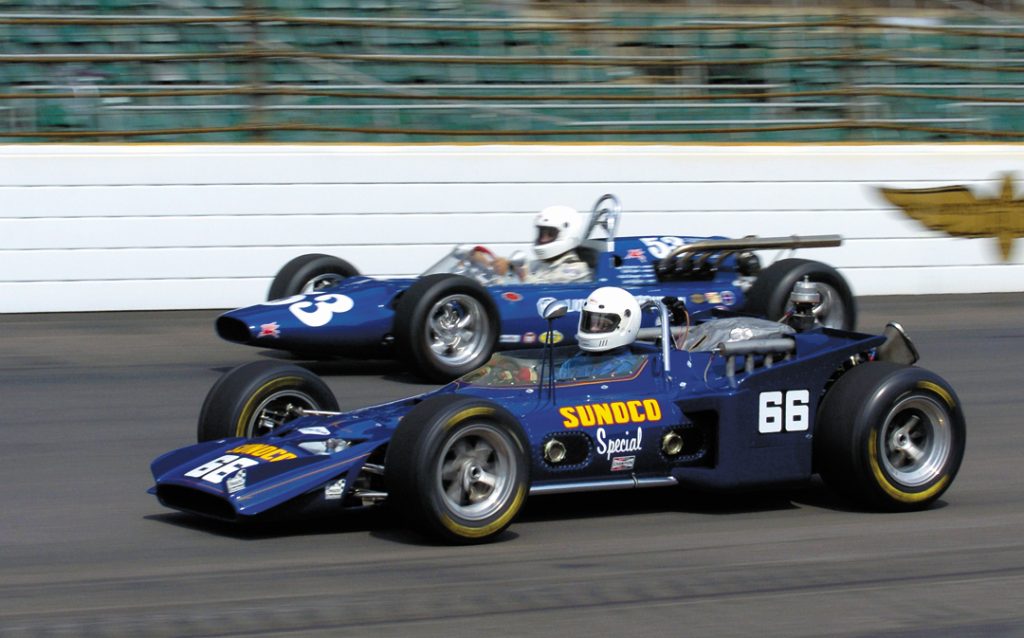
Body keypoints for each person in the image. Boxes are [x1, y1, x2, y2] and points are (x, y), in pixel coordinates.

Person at [472, 205, 592, 283]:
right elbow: (515, 267)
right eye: (542, 233)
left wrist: (520, 274)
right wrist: (489, 263)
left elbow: (539, 291)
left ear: (567, 234)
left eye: (550, 234)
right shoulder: (543, 264)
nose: (543, 239)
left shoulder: (575, 270)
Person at [556, 287, 646, 380]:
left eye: (602, 324)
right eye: (590, 322)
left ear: (625, 325)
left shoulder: (626, 370)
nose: (592, 328)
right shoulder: (572, 364)